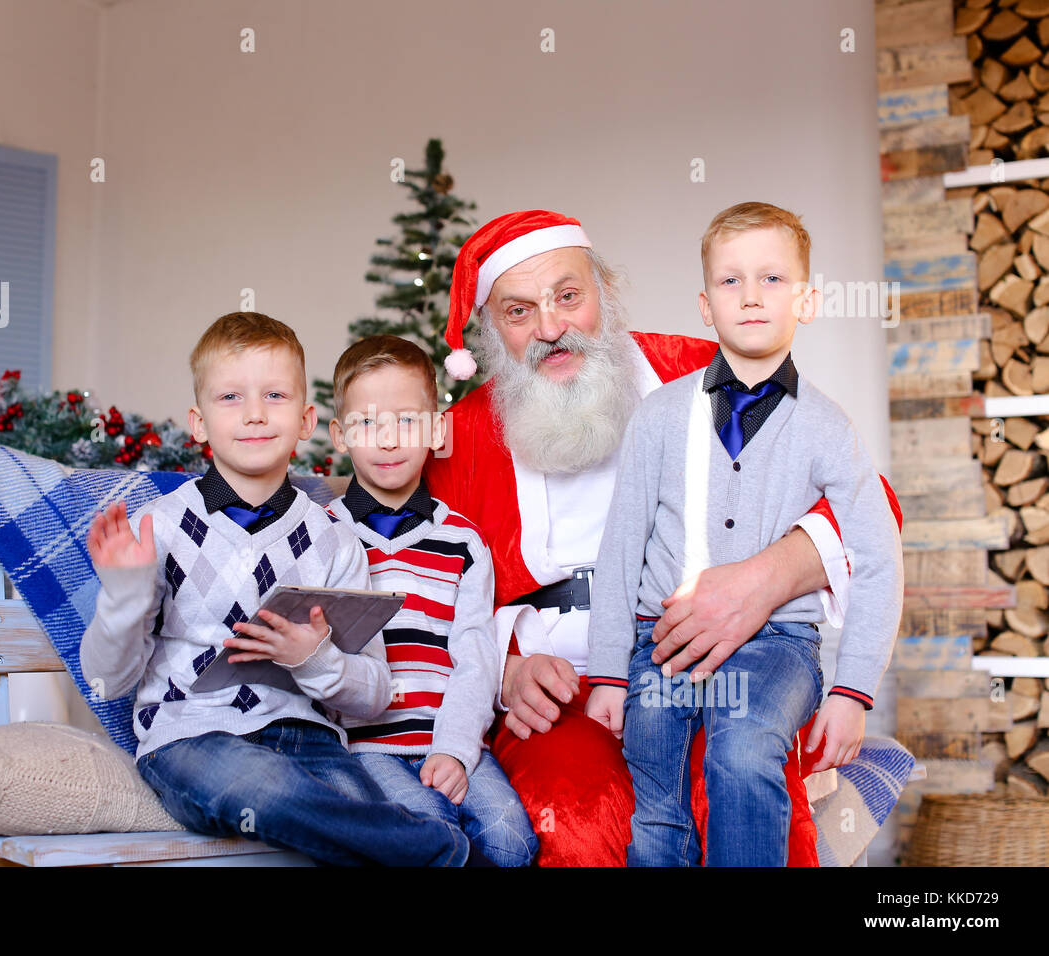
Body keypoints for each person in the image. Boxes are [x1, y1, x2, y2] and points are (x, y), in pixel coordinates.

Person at [424, 209, 904, 866]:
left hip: (713, 659)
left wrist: (763, 580)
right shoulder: (462, 436)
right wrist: (504, 670)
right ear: (490, 331)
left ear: (605, 293)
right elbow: (415, 582)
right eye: (518, 312)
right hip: (564, 688)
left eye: (568, 296)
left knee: (739, 785)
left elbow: (873, 510)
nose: (550, 328)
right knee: (578, 822)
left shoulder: (700, 369)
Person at [78, 311, 488, 866]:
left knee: (356, 810)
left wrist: (314, 657)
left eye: (274, 395)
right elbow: (107, 681)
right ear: (198, 423)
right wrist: (124, 595)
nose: (253, 414)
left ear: (306, 420)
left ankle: (422, 849)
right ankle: (448, 855)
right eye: (230, 398)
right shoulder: (160, 528)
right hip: (196, 738)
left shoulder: (334, 539)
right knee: (268, 787)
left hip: (313, 741)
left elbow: (373, 693)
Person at [585, 201, 904, 865]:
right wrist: (610, 674)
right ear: (705, 305)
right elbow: (620, 549)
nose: (752, 296)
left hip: (778, 645)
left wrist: (851, 691)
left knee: (743, 747)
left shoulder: (828, 427)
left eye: (772, 279)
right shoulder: (660, 417)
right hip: (660, 641)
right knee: (654, 791)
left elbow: (877, 557)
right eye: (731, 281)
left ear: (808, 300)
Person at [324, 335, 539, 867]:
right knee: (429, 829)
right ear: (339, 436)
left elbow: (476, 653)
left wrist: (455, 749)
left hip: (451, 736)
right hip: (363, 747)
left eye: (406, 421)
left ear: (436, 430)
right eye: (368, 423)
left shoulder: (462, 541)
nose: (389, 441)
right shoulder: (322, 535)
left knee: (512, 838)